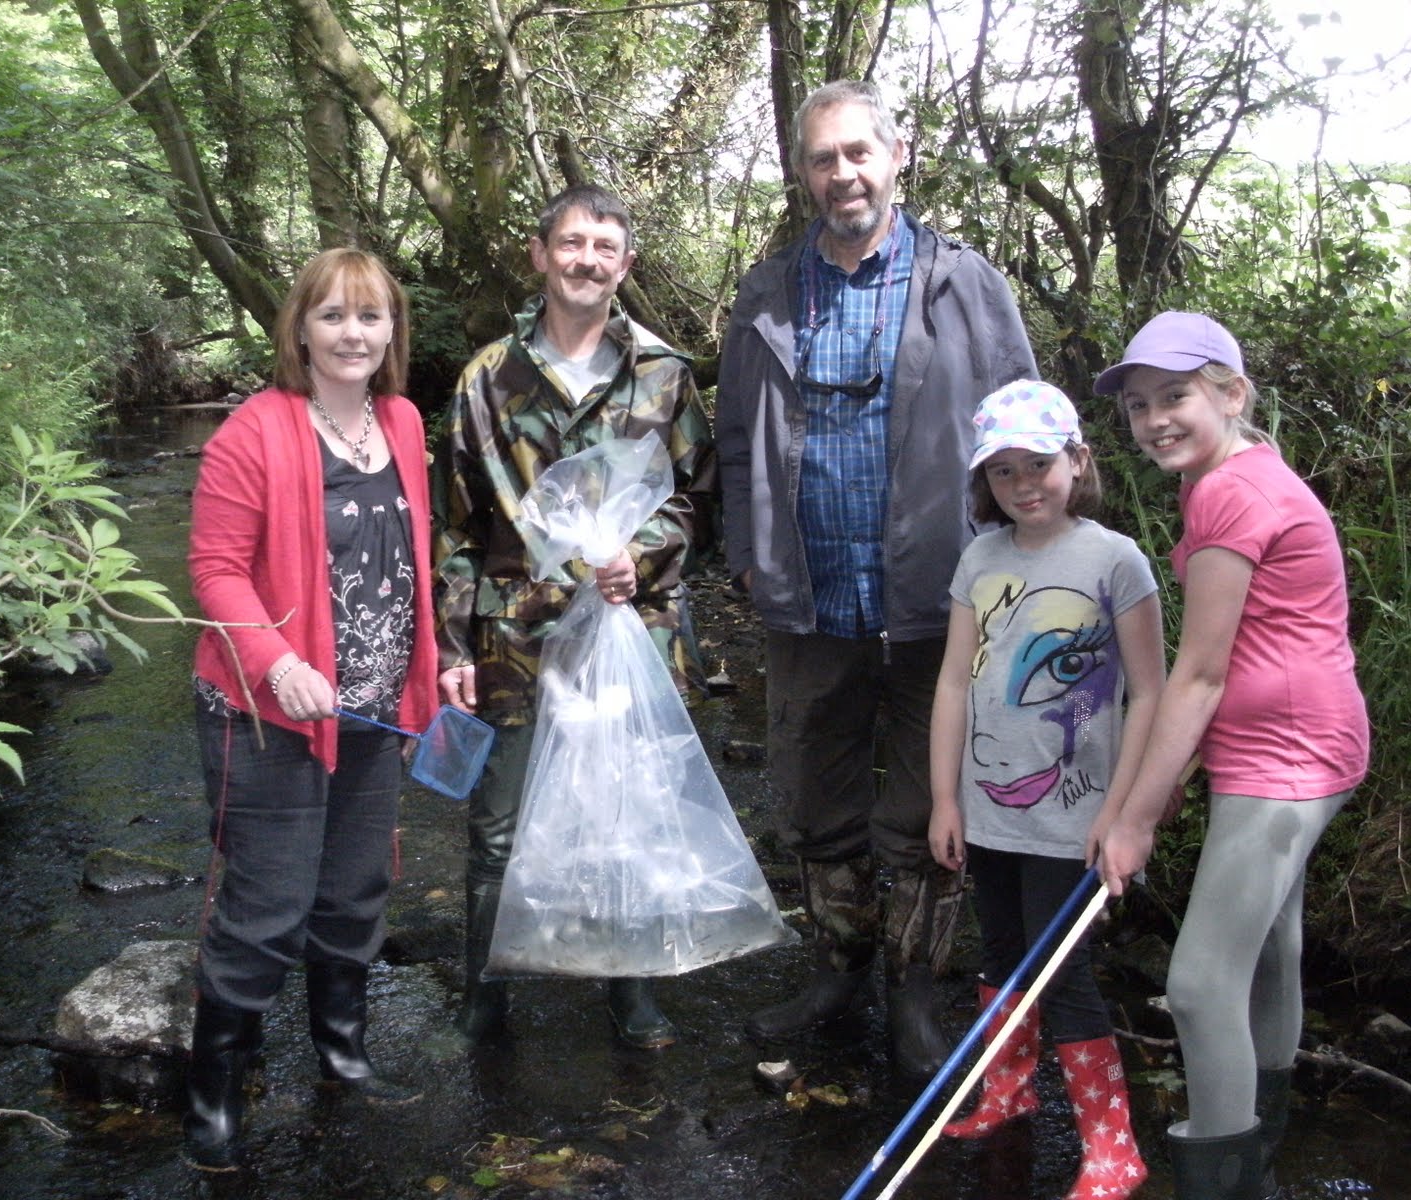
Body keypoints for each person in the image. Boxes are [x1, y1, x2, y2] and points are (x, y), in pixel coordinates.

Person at [715, 78, 1038, 1079]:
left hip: (937, 597)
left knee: (931, 800)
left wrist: (1029, 567)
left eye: (859, 152)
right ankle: (837, 971)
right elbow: (734, 438)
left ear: (898, 156)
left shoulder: (964, 284)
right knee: (815, 795)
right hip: (808, 596)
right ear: (802, 172)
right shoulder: (768, 291)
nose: (842, 173)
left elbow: (1025, 427)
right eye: (823, 157)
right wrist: (746, 551)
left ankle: (913, 991)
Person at [432, 183, 717, 1050]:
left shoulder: (664, 374)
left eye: (605, 247)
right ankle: (487, 995)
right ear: (539, 253)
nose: (587, 260)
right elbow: (457, 522)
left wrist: (645, 554)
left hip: (635, 633)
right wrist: (452, 644)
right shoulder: (487, 378)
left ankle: (629, 993)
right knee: (499, 828)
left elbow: (701, 500)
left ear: (625, 265)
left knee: (626, 814)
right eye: (572, 243)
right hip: (518, 634)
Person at [1094, 313, 1369, 1200]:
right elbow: (1241, 651)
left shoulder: (1231, 493)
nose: (1153, 420)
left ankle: (1227, 1181)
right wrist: (1175, 772)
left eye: (1175, 396)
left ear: (1232, 394)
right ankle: (1265, 1153)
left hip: (1285, 757)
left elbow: (1203, 671)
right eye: (1138, 405)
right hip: (1306, 739)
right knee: (1270, 951)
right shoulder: (1232, 474)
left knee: (1203, 984)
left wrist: (1135, 814)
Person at [184, 248, 438, 1171]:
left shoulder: (404, 422)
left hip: (370, 709)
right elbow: (214, 568)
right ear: (299, 329)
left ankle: (342, 1052)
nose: (353, 334)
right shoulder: (253, 431)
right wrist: (277, 661)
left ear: (391, 332)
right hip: (269, 713)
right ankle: (210, 1094)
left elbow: (408, 561)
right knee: (265, 908)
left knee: (354, 890)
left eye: (370, 317)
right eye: (332, 316)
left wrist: (431, 669)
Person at [926, 380, 1161, 1198]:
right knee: (997, 954)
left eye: (1040, 464)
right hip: (988, 807)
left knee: (1065, 974)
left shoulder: (1114, 560)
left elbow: (1150, 694)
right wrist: (946, 799)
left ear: (1077, 461)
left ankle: (1114, 1146)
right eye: (1002, 473)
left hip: (1075, 818)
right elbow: (956, 681)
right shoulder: (979, 559)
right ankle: (1007, 1092)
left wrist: (1125, 812)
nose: (1024, 485)